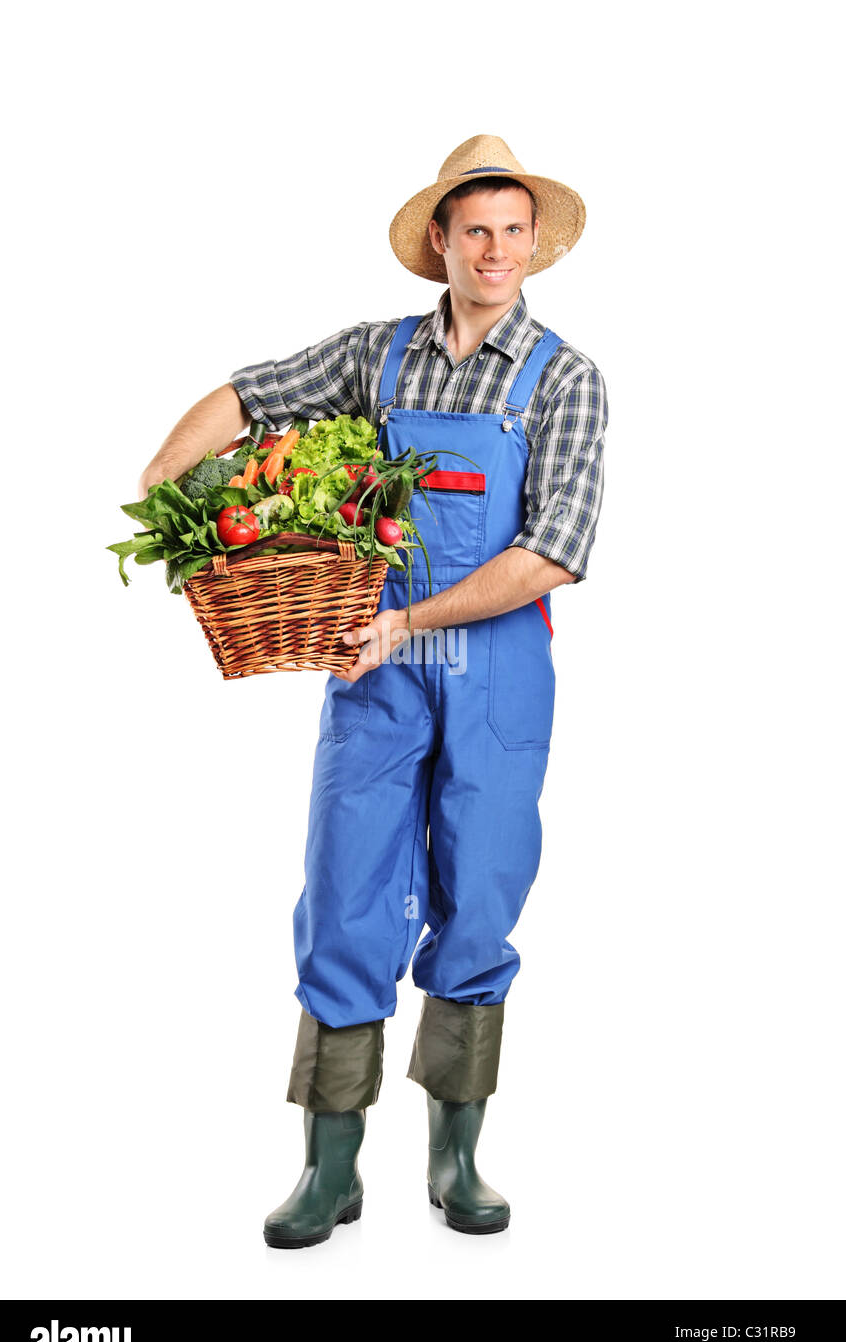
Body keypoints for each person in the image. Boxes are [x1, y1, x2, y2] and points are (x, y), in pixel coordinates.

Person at [139, 134, 608, 1249]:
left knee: (479, 896)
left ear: (532, 242)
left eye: (510, 230)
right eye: (472, 230)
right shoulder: (377, 355)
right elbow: (250, 395)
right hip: (372, 673)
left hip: (493, 673)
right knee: (346, 895)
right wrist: (161, 483)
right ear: (438, 242)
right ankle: (328, 1168)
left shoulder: (567, 380)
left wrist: (407, 619)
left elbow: (550, 553)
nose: (492, 249)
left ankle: (454, 1156)